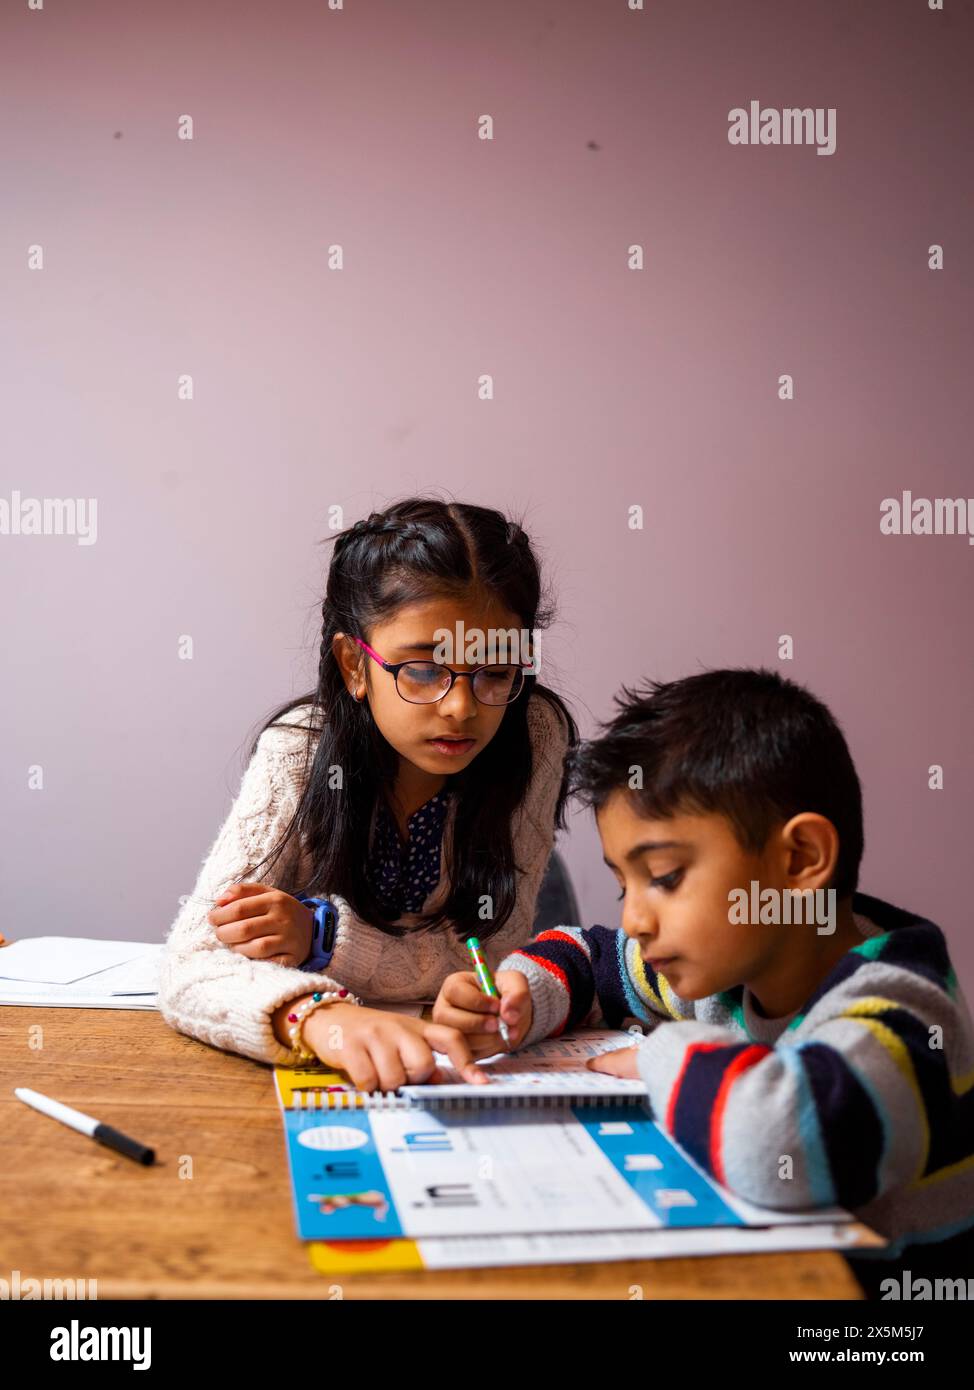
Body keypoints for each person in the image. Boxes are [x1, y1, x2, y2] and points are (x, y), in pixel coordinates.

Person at [434, 668, 974, 1298]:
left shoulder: (903, 1009)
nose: (634, 916)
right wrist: (521, 997)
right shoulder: (720, 973)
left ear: (799, 861)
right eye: (622, 885)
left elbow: (781, 1140)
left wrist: (659, 1055)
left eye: (663, 877)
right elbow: (592, 958)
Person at [158, 497, 576, 1092]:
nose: (461, 707)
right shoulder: (300, 751)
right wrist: (322, 1020)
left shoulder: (532, 734)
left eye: (497, 671)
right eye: (424, 670)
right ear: (354, 664)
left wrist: (323, 941)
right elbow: (190, 965)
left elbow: (487, 954)